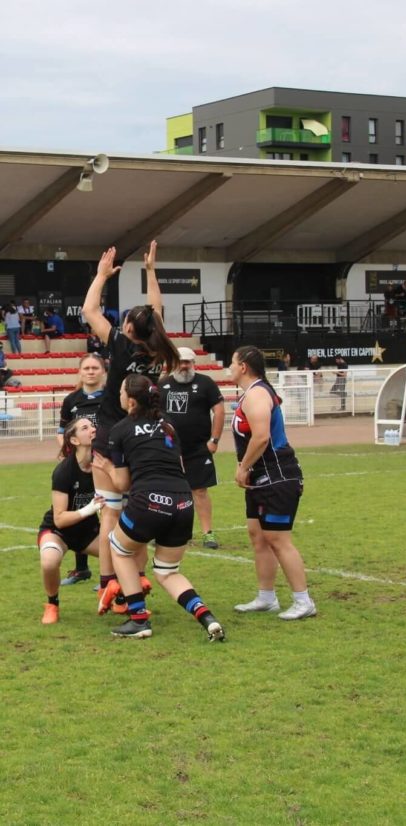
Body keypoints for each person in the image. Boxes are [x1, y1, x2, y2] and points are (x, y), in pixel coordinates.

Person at [82, 241, 180, 614]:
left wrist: (102, 276)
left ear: (127, 328)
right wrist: (151, 271)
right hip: (149, 432)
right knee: (135, 506)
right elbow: (156, 311)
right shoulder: (161, 349)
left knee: (110, 510)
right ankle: (135, 577)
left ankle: (111, 585)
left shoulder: (122, 346)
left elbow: (90, 309)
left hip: (112, 429)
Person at [91, 374, 225, 641]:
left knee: (118, 548)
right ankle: (207, 618)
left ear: (130, 401)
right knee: (167, 571)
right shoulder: (168, 424)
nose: (117, 395)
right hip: (184, 502)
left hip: (149, 500)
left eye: (120, 391)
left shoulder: (120, 430)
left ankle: (139, 619)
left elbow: (121, 484)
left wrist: (105, 466)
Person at [229, 345, 316, 620]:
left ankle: (303, 601)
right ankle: (266, 597)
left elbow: (261, 436)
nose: (229, 368)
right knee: (258, 536)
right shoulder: (250, 394)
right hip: (260, 476)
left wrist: (243, 467)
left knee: (278, 539)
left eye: (232, 363)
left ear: (243, 366)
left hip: (277, 475)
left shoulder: (256, 393)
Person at [159, 347, 225, 549]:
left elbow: (219, 411)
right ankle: (168, 530)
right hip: (169, 448)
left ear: (193, 362)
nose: (184, 365)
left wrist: (214, 439)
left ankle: (208, 533)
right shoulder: (162, 384)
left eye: (187, 362)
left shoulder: (206, 383)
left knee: (200, 491)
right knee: (168, 491)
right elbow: (153, 413)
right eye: (180, 362)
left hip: (197, 447)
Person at [38, 419, 103, 624]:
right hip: (59, 531)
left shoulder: (102, 463)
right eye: (85, 428)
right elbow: (59, 518)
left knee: (122, 552)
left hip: (87, 532)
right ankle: (52, 605)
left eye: (93, 426)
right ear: (74, 440)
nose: (92, 429)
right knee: (49, 562)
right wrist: (89, 509)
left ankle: (118, 596)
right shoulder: (63, 471)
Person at [56, 353, 107, 585]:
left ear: (103, 372)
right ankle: (81, 569)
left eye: (95, 367)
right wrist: (71, 456)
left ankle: (109, 572)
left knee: (108, 510)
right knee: (79, 507)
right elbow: (62, 432)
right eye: (86, 367)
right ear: (79, 372)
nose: (90, 371)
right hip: (79, 462)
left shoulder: (111, 398)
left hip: (105, 462)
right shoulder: (71, 400)